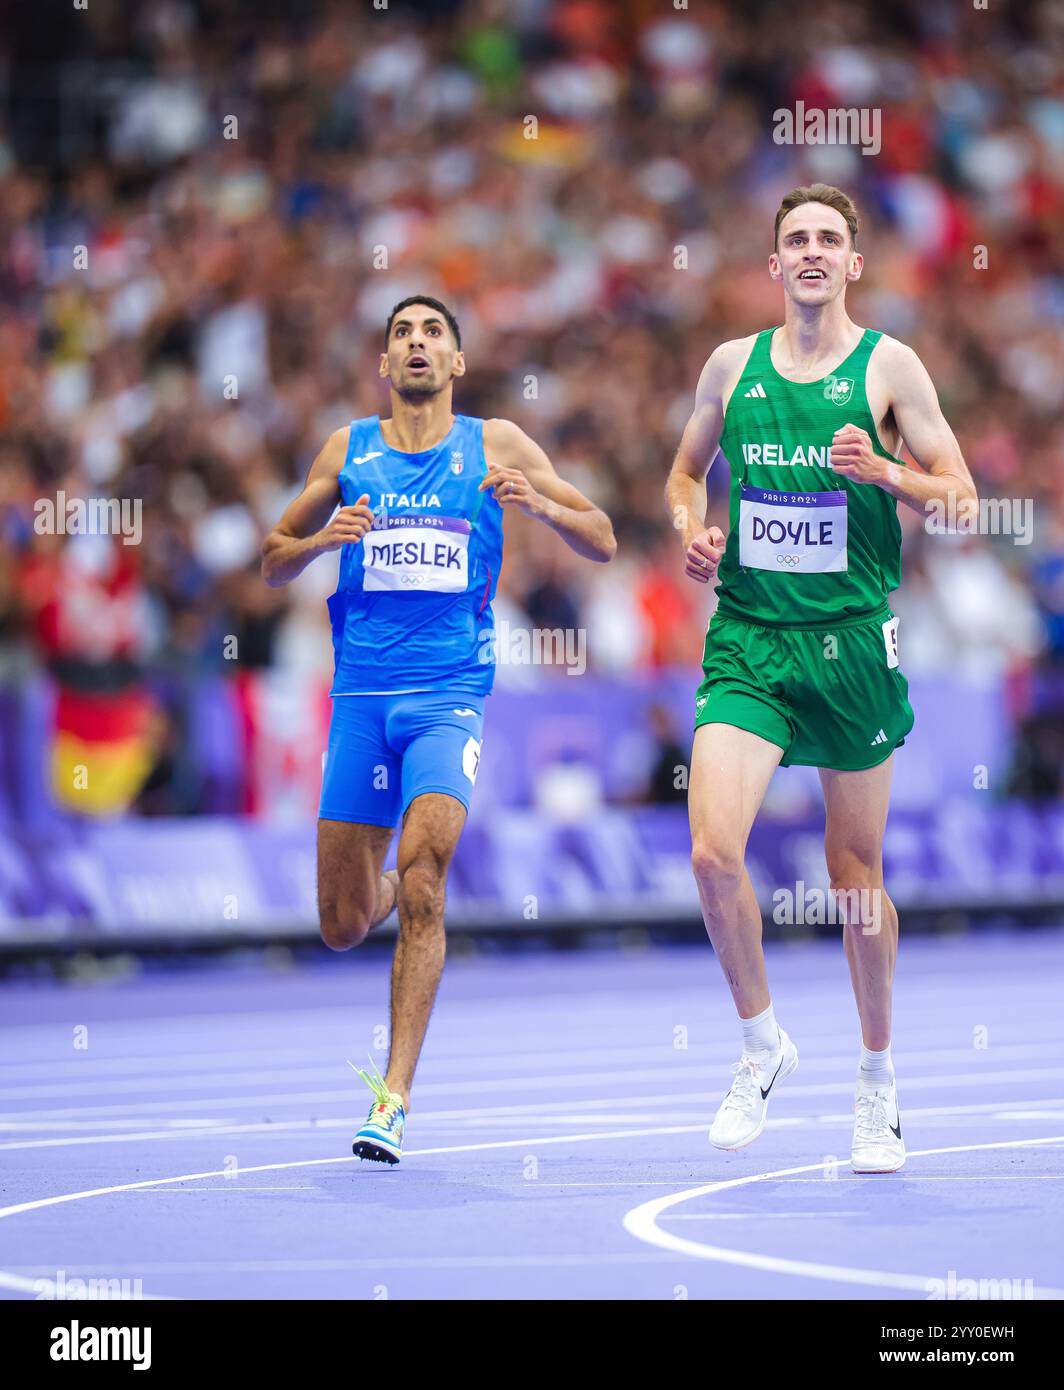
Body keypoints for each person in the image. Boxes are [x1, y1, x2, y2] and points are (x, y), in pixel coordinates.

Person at [665, 185, 977, 1173]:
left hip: (847, 644)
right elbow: (681, 474)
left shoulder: (889, 365)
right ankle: (761, 1044)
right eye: (793, 237)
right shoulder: (731, 365)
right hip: (749, 637)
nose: (809, 250)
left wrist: (884, 472)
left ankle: (876, 1078)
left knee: (852, 879)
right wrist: (692, 531)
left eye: (827, 239)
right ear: (773, 264)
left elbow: (962, 497)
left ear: (851, 263)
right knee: (714, 853)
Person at [262, 296, 615, 1163]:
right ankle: (375, 890)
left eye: (433, 334)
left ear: (457, 362)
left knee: (425, 881)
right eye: (401, 335)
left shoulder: (496, 444)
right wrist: (318, 543)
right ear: (385, 365)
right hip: (359, 703)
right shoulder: (349, 450)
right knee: (344, 921)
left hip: (448, 696)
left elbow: (603, 535)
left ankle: (394, 1097)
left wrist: (541, 507)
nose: (416, 344)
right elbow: (270, 558)